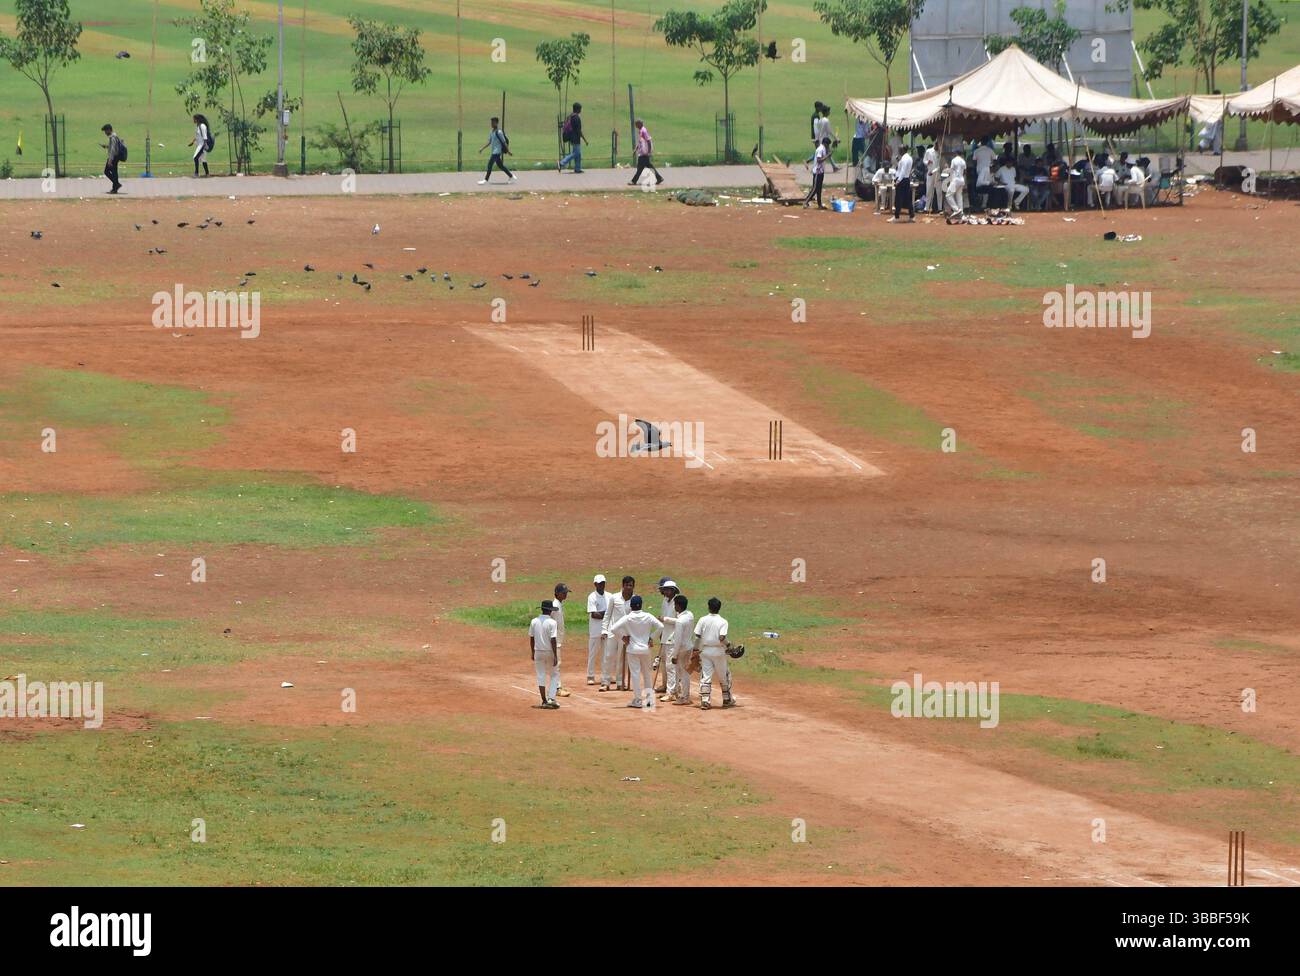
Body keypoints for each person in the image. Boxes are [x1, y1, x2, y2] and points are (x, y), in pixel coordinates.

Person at [606, 594, 664, 708]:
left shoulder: (628, 617)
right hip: (645, 649)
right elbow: (661, 626)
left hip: (632, 649)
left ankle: (637, 700)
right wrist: (651, 637)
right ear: (641, 605)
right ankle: (649, 701)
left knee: (635, 674)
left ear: (631, 606)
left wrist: (623, 637)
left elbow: (613, 628)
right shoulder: (647, 616)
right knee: (647, 674)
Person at [692, 597, 734, 710]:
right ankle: (727, 699)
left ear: (709, 607)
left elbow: (698, 637)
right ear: (719, 608)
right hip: (719, 652)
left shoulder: (702, 619)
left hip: (705, 651)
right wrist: (729, 645)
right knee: (723, 676)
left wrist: (695, 650)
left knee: (706, 675)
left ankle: (705, 701)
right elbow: (722, 637)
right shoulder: (723, 621)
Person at [599, 575, 636, 692]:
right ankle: (605, 682)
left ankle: (620, 682)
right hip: (612, 631)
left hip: (626, 634)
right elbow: (607, 615)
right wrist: (604, 630)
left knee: (622, 658)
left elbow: (636, 618)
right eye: (627, 585)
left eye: (631, 585)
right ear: (623, 585)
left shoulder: (635, 600)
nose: (629, 587)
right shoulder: (614, 598)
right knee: (608, 656)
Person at [529, 600, 560, 709]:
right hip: (549, 651)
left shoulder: (534, 621)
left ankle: (543, 700)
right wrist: (555, 655)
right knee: (554, 674)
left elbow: (532, 638)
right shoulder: (552, 622)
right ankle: (551, 698)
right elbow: (553, 639)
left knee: (540, 675)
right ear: (550, 611)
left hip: (538, 651)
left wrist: (532, 652)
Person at [666, 593, 695, 705]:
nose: (674, 607)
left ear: (678, 606)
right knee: (686, 672)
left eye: (675, 605)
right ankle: (685, 695)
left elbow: (677, 640)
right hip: (689, 646)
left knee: (681, 673)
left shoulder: (679, 621)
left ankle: (684, 697)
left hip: (681, 649)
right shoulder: (690, 615)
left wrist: (674, 655)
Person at [655, 579, 680, 699]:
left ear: (673, 590)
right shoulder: (665, 601)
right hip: (665, 636)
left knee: (671, 666)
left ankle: (671, 692)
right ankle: (665, 686)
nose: (665, 591)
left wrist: (665, 619)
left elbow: (680, 621)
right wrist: (661, 632)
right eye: (664, 589)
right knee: (664, 663)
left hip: (673, 638)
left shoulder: (678, 602)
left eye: (667, 589)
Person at [586, 574, 609, 685]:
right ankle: (590, 675)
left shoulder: (609, 596)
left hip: (606, 629)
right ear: (595, 584)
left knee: (606, 654)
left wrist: (603, 613)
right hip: (595, 630)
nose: (602, 585)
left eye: (603, 583)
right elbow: (594, 615)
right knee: (593, 653)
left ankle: (605, 676)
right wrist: (607, 613)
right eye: (599, 583)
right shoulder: (592, 597)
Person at [549, 583, 571, 697]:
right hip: (554, 640)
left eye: (566, 592)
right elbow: (548, 620)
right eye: (564, 592)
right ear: (557, 593)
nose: (565, 594)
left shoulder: (559, 604)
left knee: (555, 664)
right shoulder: (554, 605)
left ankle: (556, 686)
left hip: (557, 639)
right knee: (556, 664)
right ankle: (557, 688)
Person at [479, 116, 516, 184]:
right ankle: (511, 176)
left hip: (497, 151)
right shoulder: (491, 132)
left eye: (493, 122)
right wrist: (482, 148)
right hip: (494, 151)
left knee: (490, 164)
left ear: (496, 123)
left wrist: (508, 151)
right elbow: (489, 142)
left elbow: (504, 142)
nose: (491, 124)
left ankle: (485, 180)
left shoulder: (499, 132)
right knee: (500, 165)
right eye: (491, 122)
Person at [629, 119, 664, 186]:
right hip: (643, 152)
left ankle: (634, 181)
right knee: (648, 167)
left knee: (640, 168)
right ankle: (659, 178)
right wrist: (635, 149)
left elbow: (648, 141)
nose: (635, 126)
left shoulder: (643, 131)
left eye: (636, 124)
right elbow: (640, 142)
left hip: (644, 153)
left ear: (640, 124)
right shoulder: (641, 131)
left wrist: (649, 151)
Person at [558, 102, 588, 173]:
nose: (581, 110)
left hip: (571, 137)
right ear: (577, 109)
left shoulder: (570, 116)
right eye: (580, 109)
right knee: (575, 153)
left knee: (578, 153)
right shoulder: (576, 118)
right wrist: (585, 140)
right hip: (575, 138)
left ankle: (577, 168)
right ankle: (561, 163)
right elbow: (578, 131)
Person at [803, 137, 830, 209]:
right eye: (828, 145)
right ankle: (806, 202)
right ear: (825, 143)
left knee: (819, 189)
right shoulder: (820, 149)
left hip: (821, 172)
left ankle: (819, 204)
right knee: (815, 189)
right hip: (817, 172)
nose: (828, 146)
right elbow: (819, 160)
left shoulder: (823, 148)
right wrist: (827, 156)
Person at [891, 144, 915, 222]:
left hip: (902, 180)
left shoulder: (904, 159)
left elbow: (902, 171)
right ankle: (912, 216)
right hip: (906, 179)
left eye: (900, 149)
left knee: (898, 198)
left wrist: (898, 181)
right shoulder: (909, 158)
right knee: (908, 199)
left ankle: (896, 217)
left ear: (903, 150)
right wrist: (899, 161)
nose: (898, 151)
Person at [972, 137, 997, 210]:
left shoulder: (976, 151)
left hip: (979, 170)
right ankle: (983, 203)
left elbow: (974, 162)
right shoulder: (990, 150)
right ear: (987, 142)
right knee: (985, 185)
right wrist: (992, 166)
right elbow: (995, 160)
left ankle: (983, 203)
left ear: (981, 142)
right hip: (988, 170)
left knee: (983, 186)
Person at [100, 124, 124, 194]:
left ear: (109, 130)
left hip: (113, 157)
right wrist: (106, 146)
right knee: (114, 172)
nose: (105, 133)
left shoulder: (113, 138)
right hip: (115, 157)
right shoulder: (114, 136)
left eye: (105, 131)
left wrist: (110, 160)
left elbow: (113, 149)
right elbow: (113, 147)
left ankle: (116, 184)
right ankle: (115, 188)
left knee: (107, 172)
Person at [945, 150, 967, 216]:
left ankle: (956, 210)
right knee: (959, 196)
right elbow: (965, 171)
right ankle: (961, 212)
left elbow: (951, 170)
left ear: (955, 153)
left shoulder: (954, 160)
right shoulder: (963, 161)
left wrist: (946, 168)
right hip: (961, 179)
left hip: (956, 180)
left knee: (948, 195)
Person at [923, 142, 940, 214]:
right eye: (937, 145)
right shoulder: (929, 151)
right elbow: (924, 160)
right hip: (930, 173)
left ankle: (940, 208)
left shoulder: (940, 152)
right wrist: (927, 162)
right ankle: (927, 208)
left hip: (937, 173)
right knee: (929, 190)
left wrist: (934, 171)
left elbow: (940, 164)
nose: (938, 147)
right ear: (935, 144)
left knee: (939, 191)